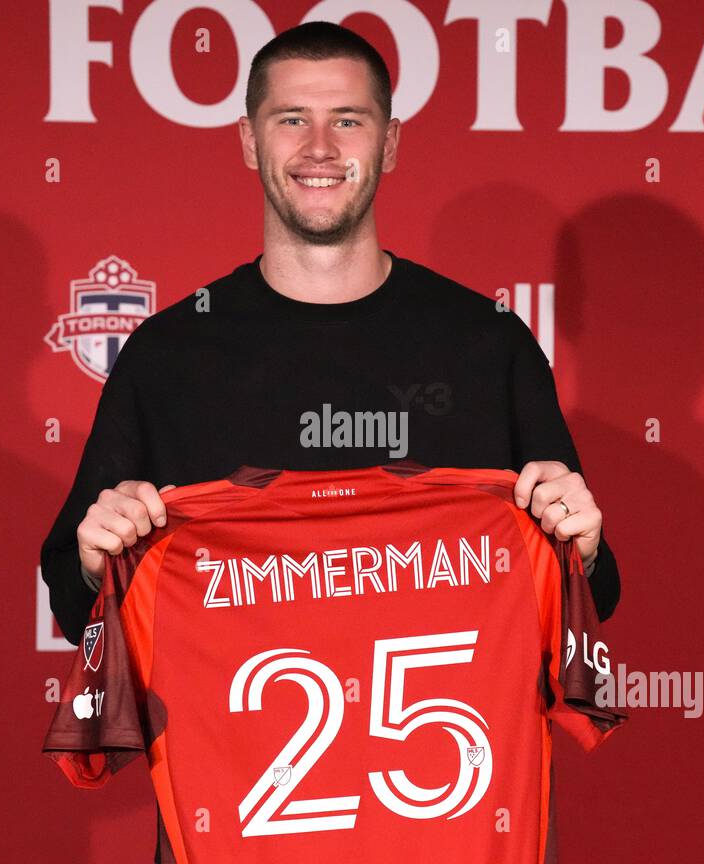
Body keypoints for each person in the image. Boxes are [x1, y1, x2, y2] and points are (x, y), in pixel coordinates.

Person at [41, 21, 620, 646]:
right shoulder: (168, 354)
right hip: (231, 736)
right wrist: (94, 562)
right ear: (248, 140)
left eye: (348, 120)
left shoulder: (489, 344)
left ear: (390, 143)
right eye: (291, 119)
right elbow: (75, 607)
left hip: (443, 738)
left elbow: (593, 594)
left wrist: (581, 554)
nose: (319, 147)